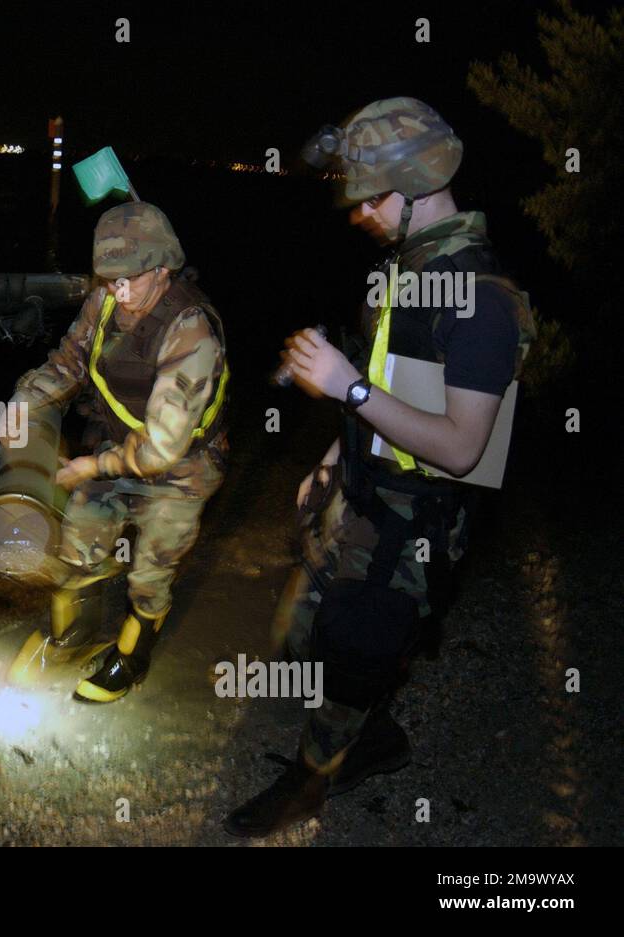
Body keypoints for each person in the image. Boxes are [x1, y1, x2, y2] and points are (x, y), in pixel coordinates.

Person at [224, 97, 537, 836]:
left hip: (414, 526)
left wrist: (346, 386)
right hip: (364, 494)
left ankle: (311, 781)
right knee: (300, 631)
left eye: (370, 199)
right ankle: (371, 732)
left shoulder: (484, 301)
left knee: (347, 660)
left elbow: (462, 445)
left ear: (419, 186)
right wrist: (334, 454)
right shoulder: (410, 265)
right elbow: (390, 377)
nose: (358, 214)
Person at [2, 201, 229, 703]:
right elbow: (70, 361)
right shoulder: (106, 299)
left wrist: (91, 465)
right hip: (117, 450)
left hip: (183, 467)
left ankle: (132, 659)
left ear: (163, 269)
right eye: (108, 279)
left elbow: (162, 449)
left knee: (150, 572)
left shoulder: (190, 332)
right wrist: (24, 402)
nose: (118, 291)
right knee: (78, 546)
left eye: (131, 279)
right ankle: (72, 639)